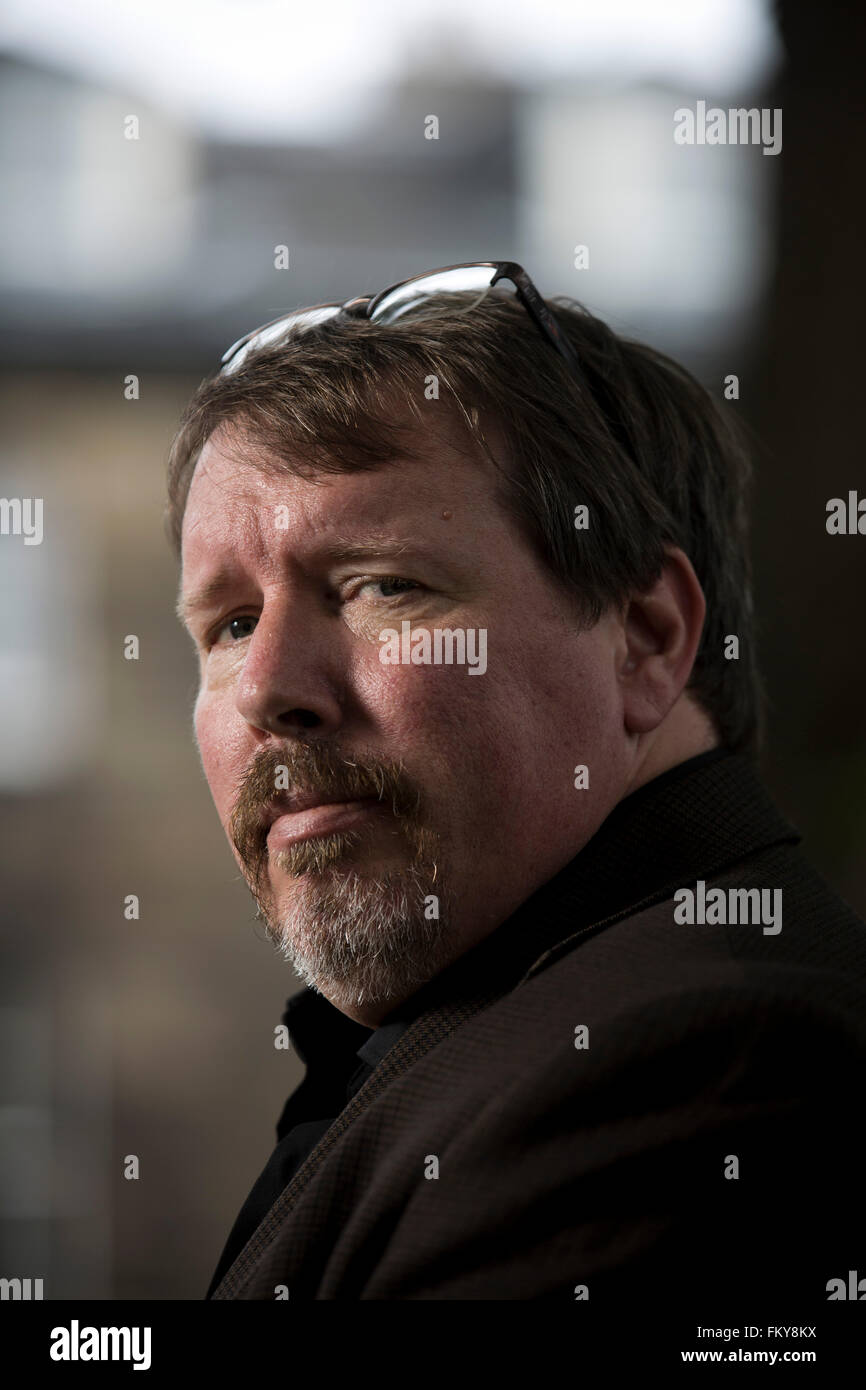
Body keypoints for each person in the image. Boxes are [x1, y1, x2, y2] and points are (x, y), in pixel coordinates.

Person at [166, 263, 866, 1304]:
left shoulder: (692, 1067)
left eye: (379, 587)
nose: (266, 687)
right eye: (228, 624)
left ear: (645, 637)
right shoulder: (512, 1028)